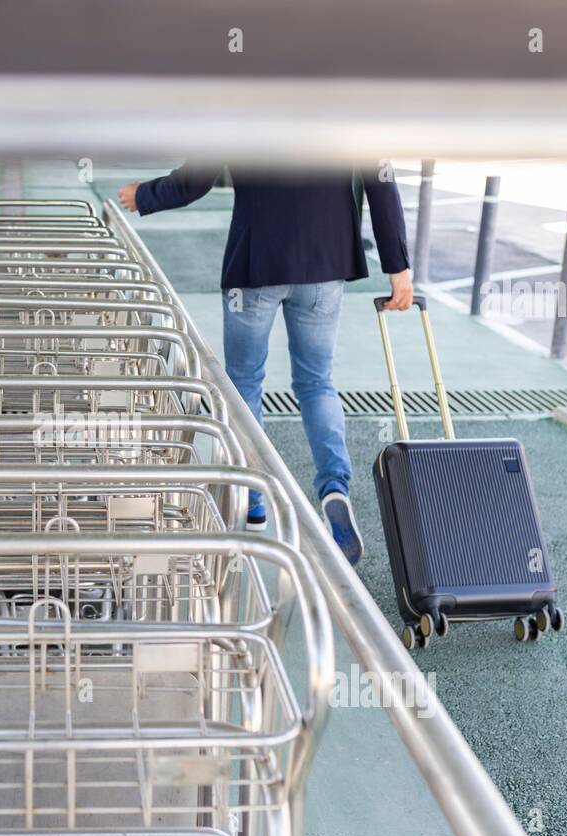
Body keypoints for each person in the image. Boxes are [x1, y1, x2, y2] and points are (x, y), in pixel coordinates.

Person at [119, 164, 413, 565]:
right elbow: (381, 179)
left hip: (255, 265)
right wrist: (398, 267)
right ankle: (334, 487)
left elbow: (199, 176)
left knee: (244, 384)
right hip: (325, 263)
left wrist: (145, 195)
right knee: (316, 382)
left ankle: (252, 499)